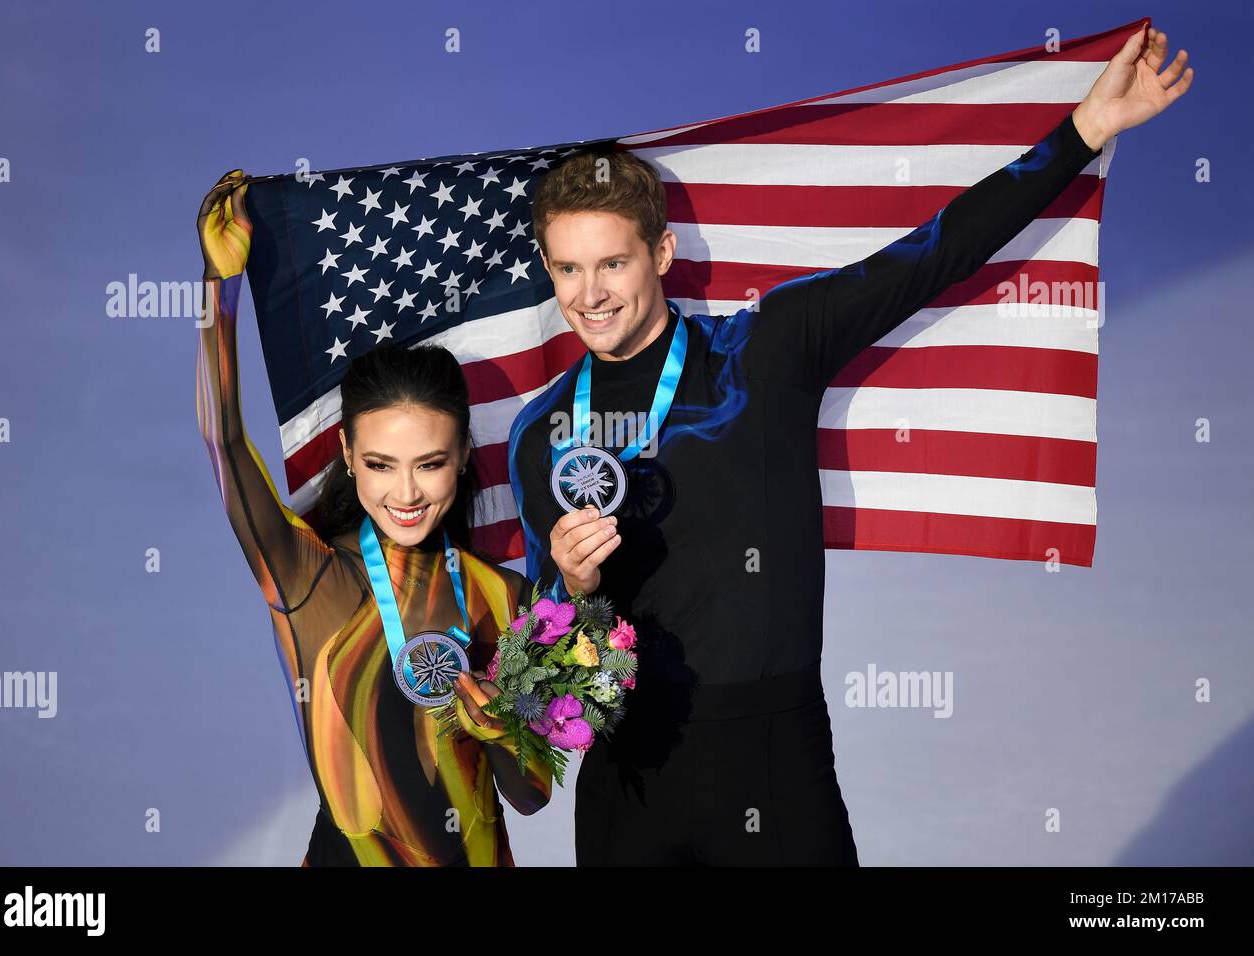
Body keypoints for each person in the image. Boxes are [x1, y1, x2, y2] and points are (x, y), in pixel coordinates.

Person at [508, 26, 1192, 865]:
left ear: (662, 252)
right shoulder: (540, 431)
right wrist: (572, 588)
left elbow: (931, 255)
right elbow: (546, 674)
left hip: (774, 756)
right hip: (629, 781)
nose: (591, 294)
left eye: (611, 264)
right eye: (568, 270)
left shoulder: (768, 349)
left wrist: (1081, 132)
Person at [196, 170, 552, 866]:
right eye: (382, 464)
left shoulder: (504, 596)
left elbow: (531, 794)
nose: (407, 492)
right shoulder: (307, 575)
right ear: (348, 458)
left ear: (462, 456)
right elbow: (223, 440)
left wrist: (503, 732)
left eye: (430, 462)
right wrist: (218, 290)